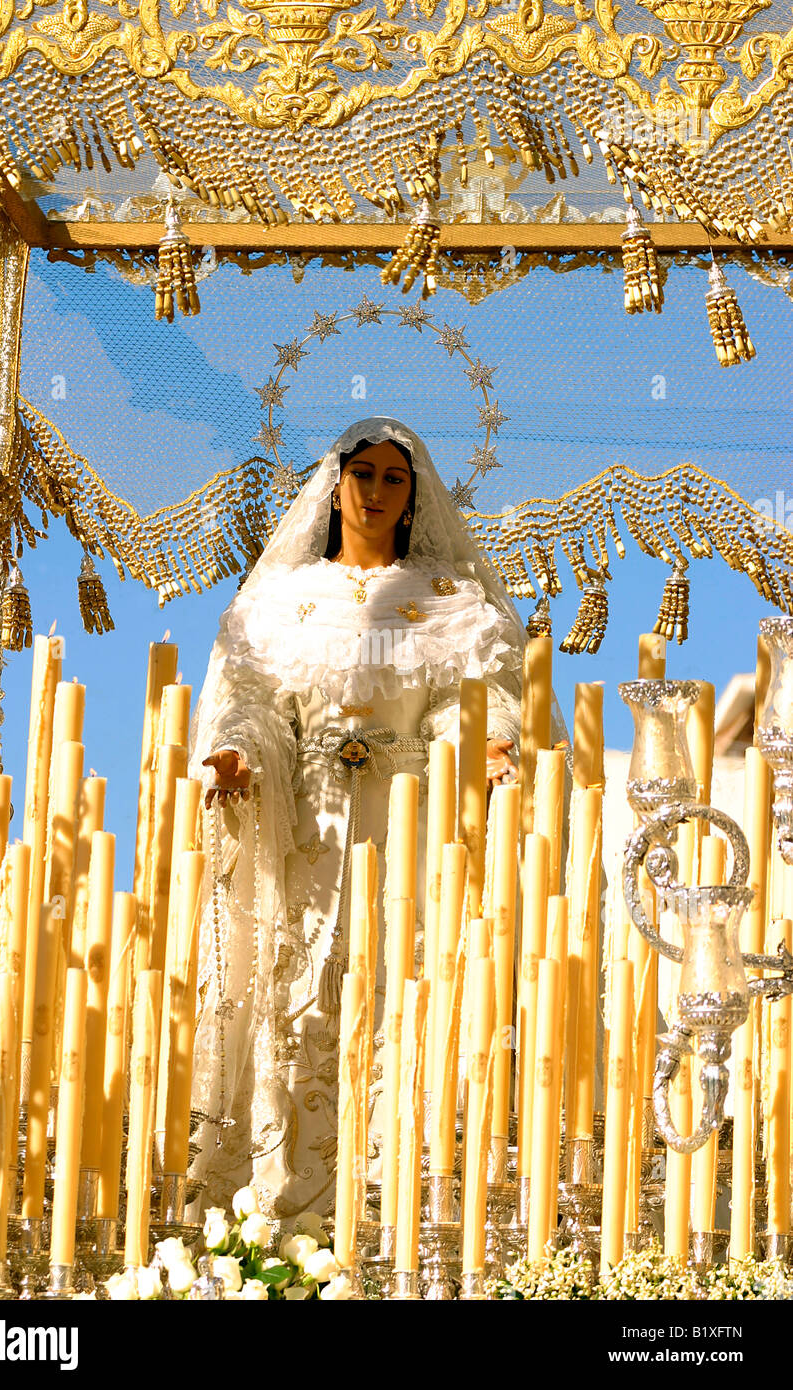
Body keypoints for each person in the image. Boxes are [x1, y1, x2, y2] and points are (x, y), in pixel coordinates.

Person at [189, 416, 550, 1219]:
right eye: (365, 475)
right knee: (297, 995)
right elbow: (252, 704)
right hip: (307, 833)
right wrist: (238, 755)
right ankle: (284, 1207)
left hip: (411, 829)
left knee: (406, 989)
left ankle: (396, 1204)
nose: (379, 491)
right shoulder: (282, 601)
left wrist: (486, 745)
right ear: (335, 484)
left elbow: (474, 706)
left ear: (415, 495)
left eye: (396, 478)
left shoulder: (452, 602)